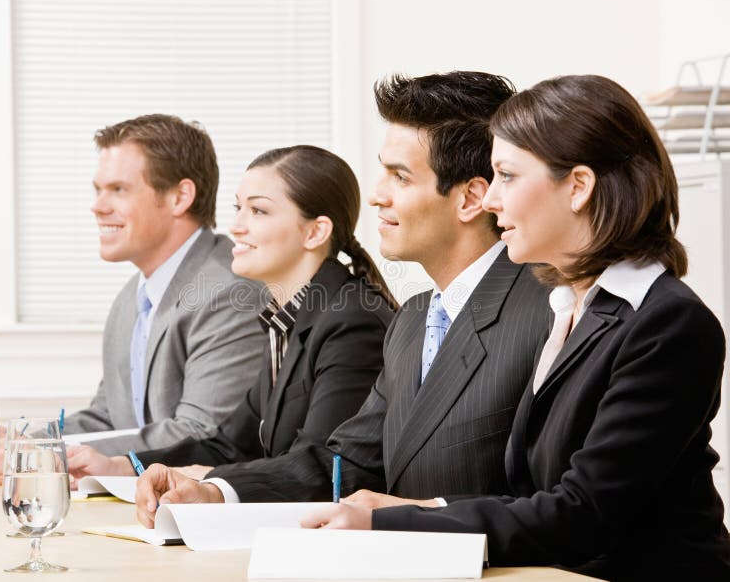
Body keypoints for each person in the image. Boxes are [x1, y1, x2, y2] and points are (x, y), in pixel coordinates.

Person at [304, 75, 730, 580]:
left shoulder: (666, 322)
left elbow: (584, 512)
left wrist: (394, 522)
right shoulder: (567, 308)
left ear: (578, 187)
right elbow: (530, 497)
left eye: (506, 176)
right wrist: (408, 509)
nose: (490, 200)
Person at [134, 71, 550, 527]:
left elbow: (558, 504)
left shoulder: (547, 311)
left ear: (470, 199)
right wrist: (215, 492)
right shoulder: (414, 319)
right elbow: (347, 461)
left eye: (400, 176)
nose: (376, 195)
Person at [66, 145, 396, 481]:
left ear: (314, 232)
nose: (236, 226)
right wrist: (123, 465)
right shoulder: (286, 322)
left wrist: (214, 484)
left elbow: (322, 469)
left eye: (258, 211)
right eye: (239, 208)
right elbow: (227, 446)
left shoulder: (351, 322)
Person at [0, 114, 267, 485]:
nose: (98, 206)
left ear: (180, 197)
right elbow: (108, 416)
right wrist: (31, 439)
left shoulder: (230, 291)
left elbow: (203, 433)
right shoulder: (133, 297)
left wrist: (52, 452)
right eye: (98, 189)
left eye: (118, 189)